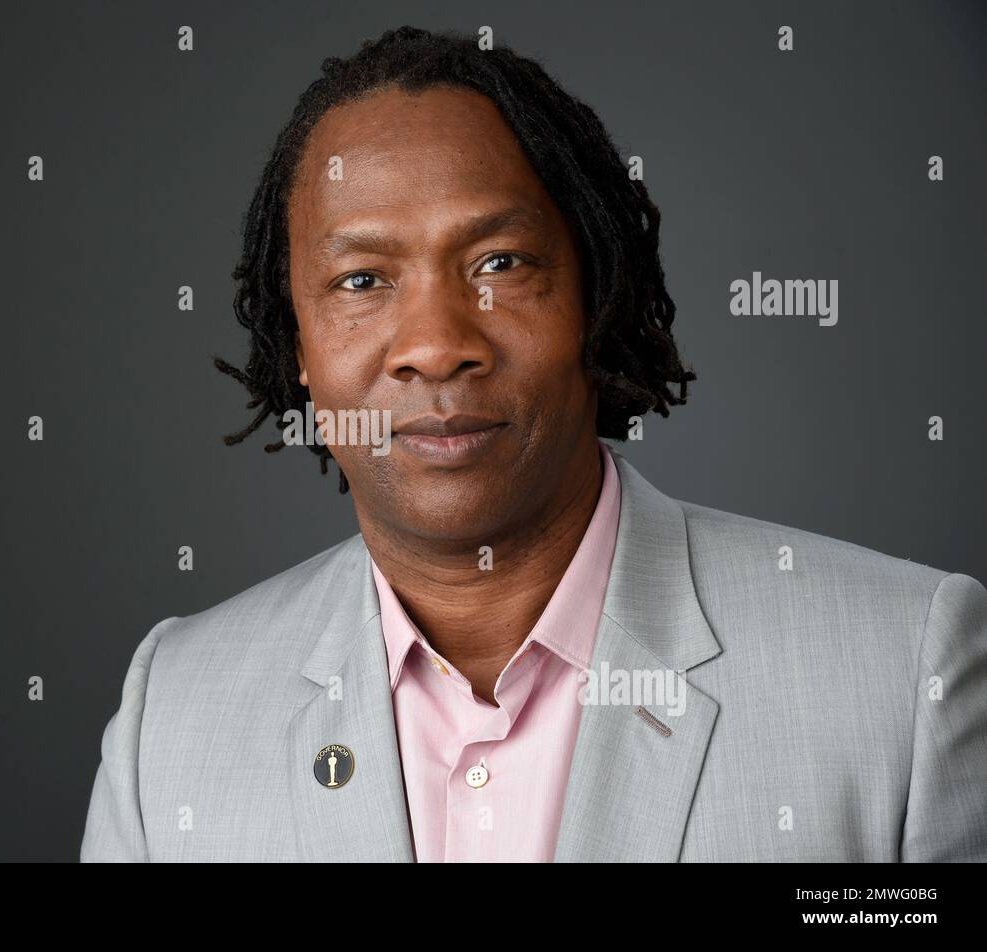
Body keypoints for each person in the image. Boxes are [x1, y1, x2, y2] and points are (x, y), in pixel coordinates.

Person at [81, 26, 987, 862]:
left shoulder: (905, 674)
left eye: (499, 264)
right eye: (361, 279)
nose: (436, 343)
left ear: (599, 295)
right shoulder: (173, 718)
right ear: (299, 350)